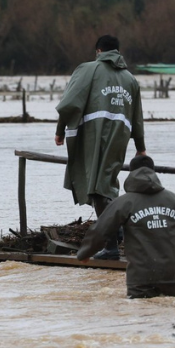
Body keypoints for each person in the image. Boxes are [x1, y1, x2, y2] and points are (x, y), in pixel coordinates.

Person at [55, 33, 146, 260]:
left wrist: (60, 130)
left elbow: (69, 104)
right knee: (107, 186)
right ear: (118, 52)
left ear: (98, 51)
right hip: (120, 137)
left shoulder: (88, 69)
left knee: (97, 189)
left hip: (94, 137)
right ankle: (120, 228)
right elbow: (137, 117)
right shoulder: (130, 79)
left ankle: (111, 245)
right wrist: (140, 146)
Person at [77, 156, 175, 298]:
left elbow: (101, 230)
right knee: (172, 308)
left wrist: (85, 253)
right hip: (172, 275)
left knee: (142, 310)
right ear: (153, 172)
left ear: (131, 173)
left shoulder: (124, 203)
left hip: (141, 277)